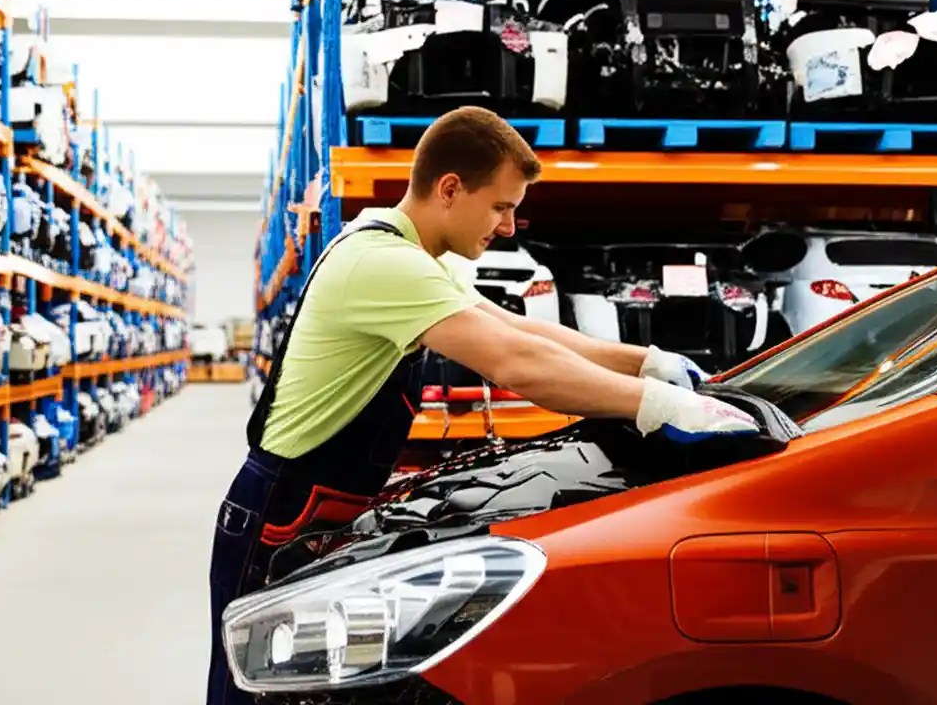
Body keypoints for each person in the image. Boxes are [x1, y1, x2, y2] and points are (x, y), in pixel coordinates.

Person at [206, 105, 759, 704]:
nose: (509, 226)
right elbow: (515, 364)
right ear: (450, 189)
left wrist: (647, 362)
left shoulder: (413, 255)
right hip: (279, 511)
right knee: (252, 693)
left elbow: (522, 331)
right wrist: (656, 406)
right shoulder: (383, 264)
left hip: (313, 508)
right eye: (501, 206)